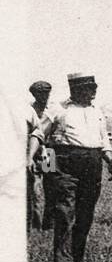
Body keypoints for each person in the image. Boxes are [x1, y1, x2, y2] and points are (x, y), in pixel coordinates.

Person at [28, 72, 112, 262]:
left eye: (94, 87)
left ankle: (76, 259)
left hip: (92, 163)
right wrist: (30, 158)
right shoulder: (58, 110)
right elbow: (38, 134)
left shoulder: (97, 111)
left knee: (85, 214)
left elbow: (103, 139)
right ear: (76, 90)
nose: (94, 91)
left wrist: (110, 159)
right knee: (64, 211)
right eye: (90, 88)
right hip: (65, 162)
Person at [26, 80, 54, 230]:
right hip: (35, 152)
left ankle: (48, 224)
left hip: (49, 152)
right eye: (40, 93)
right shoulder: (29, 110)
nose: (44, 96)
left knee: (51, 187)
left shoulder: (54, 110)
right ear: (34, 94)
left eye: (46, 93)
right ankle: (36, 225)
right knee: (35, 189)